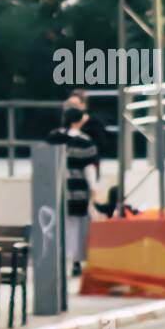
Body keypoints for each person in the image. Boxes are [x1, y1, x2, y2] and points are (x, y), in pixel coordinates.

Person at [47, 106, 100, 275]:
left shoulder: (54, 137)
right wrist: (93, 189)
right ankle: (76, 261)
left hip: (56, 188)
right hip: (77, 190)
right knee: (77, 227)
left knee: (58, 225)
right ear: (78, 121)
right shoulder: (85, 142)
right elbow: (89, 168)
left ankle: (58, 259)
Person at [66, 88, 110, 164]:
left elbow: (101, 147)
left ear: (83, 105)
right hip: (69, 160)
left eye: (74, 105)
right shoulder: (66, 122)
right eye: (70, 105)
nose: (71, 108)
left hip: (88, 161)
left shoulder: (94, 123)